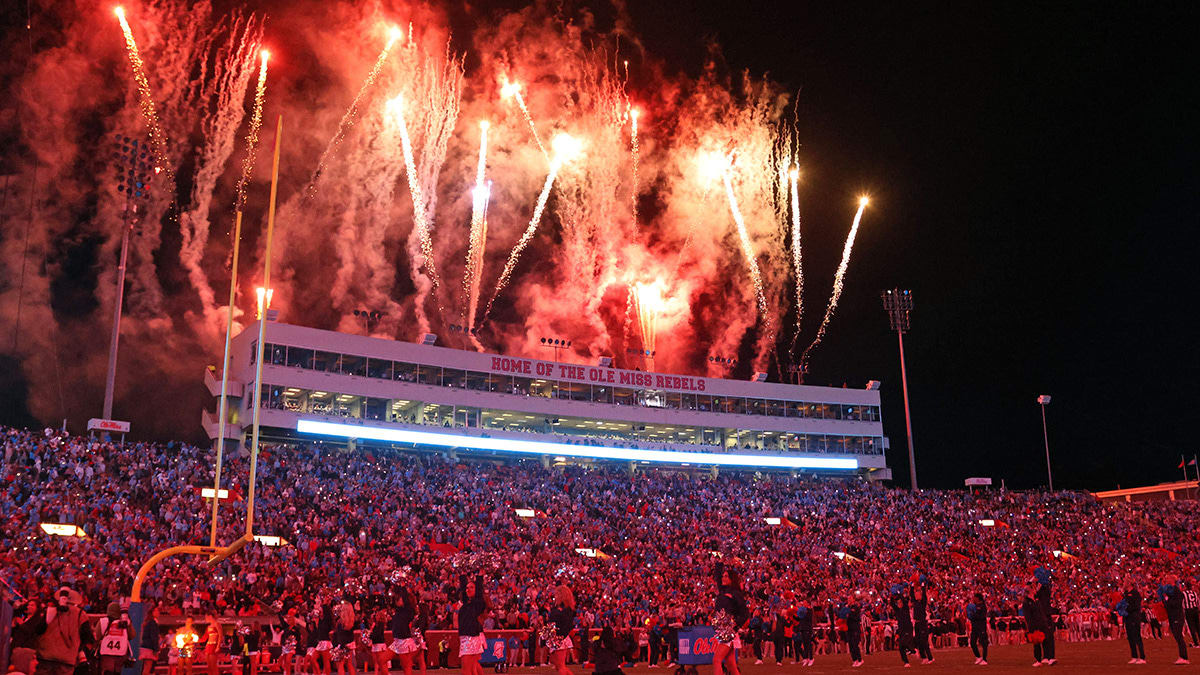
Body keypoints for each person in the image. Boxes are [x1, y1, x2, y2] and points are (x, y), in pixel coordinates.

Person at [35, 587, 92, 675]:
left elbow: (38, 630)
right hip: (67, 660)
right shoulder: (81, 614)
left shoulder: (50, 610)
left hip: (45, 656)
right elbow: (87, 636)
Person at [711, 562, 748, 675]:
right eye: (724, 575)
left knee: (717, 660)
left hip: (729, 631)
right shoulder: (723, 591)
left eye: (726, 576)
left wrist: (735, 626)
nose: (723, 577)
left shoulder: (736, 593)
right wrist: (720, 562)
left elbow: (745, 613)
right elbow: (717, 576)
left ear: (732, 579)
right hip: (723, 630)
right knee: (730, 663)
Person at [454, 574, 488, 675]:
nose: (468, 589)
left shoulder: (478, 603)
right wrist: (463, 576)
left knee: (466, 670)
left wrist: (479, 578)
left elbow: (478, 593)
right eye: (467, 588)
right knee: (473, 669)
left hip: (469, 639)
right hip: (470, 638)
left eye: (471, 587)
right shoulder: (467, 603)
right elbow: (464, 592)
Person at [97, 602, 136, 675]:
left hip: (106, 654)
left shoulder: (103, 621)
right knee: (117, 673)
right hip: (120, 654)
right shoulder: (124, 622)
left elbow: (98, 636)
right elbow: (132, 635)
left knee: (107, 672)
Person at [389, 587, 420, 675]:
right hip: (397, 640)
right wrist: (396, 586)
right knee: (382, 660)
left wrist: (402, 585)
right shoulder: (399, 610)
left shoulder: (408, 611)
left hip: (404, 640)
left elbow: (404, 596)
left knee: (406, 666)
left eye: (399, 599)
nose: (397, 600)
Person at [548, 585, 576, 675]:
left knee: (561, 666)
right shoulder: (559, 608)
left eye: (557, 594)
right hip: (556, 637)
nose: (555, 596)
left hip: (559, 637)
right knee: (557, 665)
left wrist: (559, 637)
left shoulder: (566, 610)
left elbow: (566, 625)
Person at [1160, 576, 1189, 665]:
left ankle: (1184, 657)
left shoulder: (1176, 591)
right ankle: (1182, 656)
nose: (1166, 580)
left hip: (1177, 616)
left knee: (1179, 637)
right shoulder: (1171, 592)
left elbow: (1175, 603)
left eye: (1168, 578)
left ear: (1172, 580)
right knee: (1177, 637)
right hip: (1173, 616)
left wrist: (1166, 601)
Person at [1021, 584, 1050, 667]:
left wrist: (1045, 621)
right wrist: (1031, 627)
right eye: (1032, 588)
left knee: (1046, 640)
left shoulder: (1036, 600)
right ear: (1030, 590)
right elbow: (1028, 616)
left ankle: (1046, 657)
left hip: (1042, 623)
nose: (1034, 589)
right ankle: (1038, 660)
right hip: (1034, 625)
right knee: (1036, 643)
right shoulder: (1026, 602)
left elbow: (1041, 612)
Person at [1120, 581, 1146, 664]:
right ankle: (1134, 656)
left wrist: (1127, 608)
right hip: (1128, 617)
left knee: (1137, 637)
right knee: (1130, 637)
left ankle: (1142, 657)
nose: (1124, 584)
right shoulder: (1126, 593)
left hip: (1134, 617)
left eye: (1125, 582)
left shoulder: (1135, 593)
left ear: (1129, 584)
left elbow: (1137, 606)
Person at [889, 586, 915, 668]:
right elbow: (892, 604)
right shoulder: (897, 610)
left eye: (900, 602)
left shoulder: (905, 608)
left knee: (904, 642)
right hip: (902, 630)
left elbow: (903, 600)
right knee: (901, 647)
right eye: (898, 603)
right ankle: (906, 662)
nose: (899, 604)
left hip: (908, 628)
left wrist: (899, 594)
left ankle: (913, 650)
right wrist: (892, 596)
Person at [911, 585, 933, 664]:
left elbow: (924, 596)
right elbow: (911, 595)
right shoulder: (915, 602)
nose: (916, 596)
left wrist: (923, 587)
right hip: (916, 623)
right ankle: (924, 657)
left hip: (922, 623)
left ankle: (930, 658)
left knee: (924, 641)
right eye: (915, 594)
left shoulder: (922, 602)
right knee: (918, 641)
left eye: (918, 594)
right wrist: (912, 586)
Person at [967, 592, 989, 666]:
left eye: (974, 597)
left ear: (978, 598)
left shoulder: (983, 606)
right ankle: (978, 657)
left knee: (983, 643)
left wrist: (974, 615)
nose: (973, 599)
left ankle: (985, 659)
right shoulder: (974, 606)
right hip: (974, 627)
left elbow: (982, 616)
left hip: (981, 627)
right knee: (972, 642)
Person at [141, 603, 161, 675]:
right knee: (148, 668)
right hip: (150, 648)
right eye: (156, 611)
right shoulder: (153, 623)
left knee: (146, 668)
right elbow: (154, 637)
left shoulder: (147, 622)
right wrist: (156, 649)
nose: (158, 612)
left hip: (144, 647)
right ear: (152, 612)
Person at [843, 597, 863, 667]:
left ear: (853, 600)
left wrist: (850, 615)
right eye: (848, 599)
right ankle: (854, 660)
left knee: (855, 645)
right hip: (849, 629)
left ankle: (860, 659)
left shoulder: (856, 607)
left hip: (855, 629)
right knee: (851, 646)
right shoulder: (847, 607)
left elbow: (857, 618)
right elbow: (842, 615)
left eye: (850, 599)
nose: (849, 600)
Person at [1183, 580, 1200, 648]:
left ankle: (1196, 643)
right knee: (1198, 626)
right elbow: (1197, 602)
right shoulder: (1194, 593)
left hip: (1189, 611)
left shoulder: (1184, 593)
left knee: (1192, 627)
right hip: (1195, 610)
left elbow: (1182, 603)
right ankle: (1197, 642)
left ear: (1186, 586)